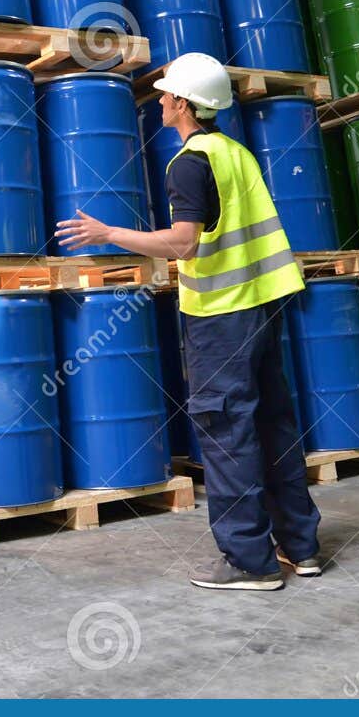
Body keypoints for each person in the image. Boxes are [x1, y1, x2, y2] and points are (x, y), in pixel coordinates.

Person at [55, 52, 322, 592]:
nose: (159, 101)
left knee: (226, 433)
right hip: (264, 305)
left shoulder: (189, 162)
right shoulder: (235, 152)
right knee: (272, 424)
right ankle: (302, 547)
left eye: (165, 95)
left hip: (222, 317)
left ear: (182, 104)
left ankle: (249, 561)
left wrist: (110, 233)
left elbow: (183, 242)